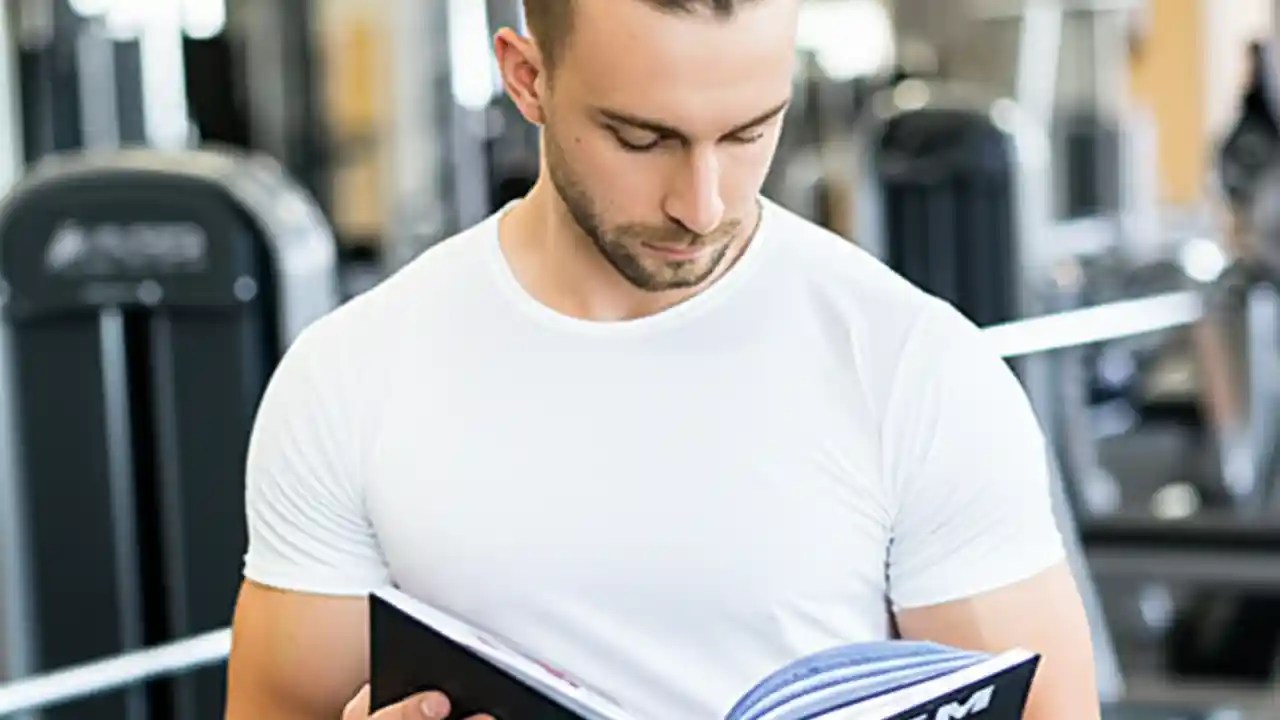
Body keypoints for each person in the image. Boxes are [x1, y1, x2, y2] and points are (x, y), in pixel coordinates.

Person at [223, 1, 1103, 718]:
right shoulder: (351, 373)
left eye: (751, 132)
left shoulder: (913, 365)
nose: (702, 203)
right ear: (527, 78)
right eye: (643, 140)